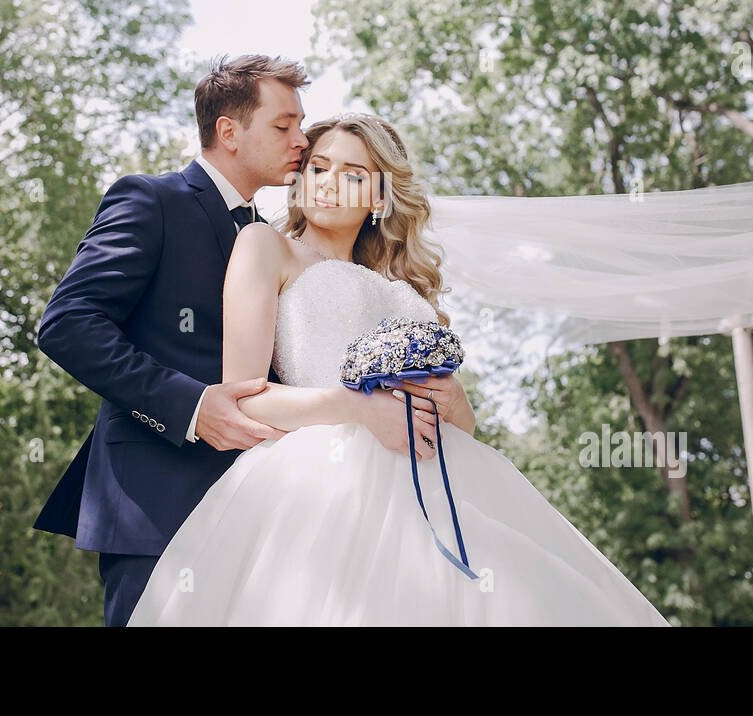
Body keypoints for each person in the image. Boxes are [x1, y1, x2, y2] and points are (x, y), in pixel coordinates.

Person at [126, 113, 672, 625]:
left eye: (353, 174)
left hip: (445, 479)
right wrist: (358, 409)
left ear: (381, 197)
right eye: (318, 167)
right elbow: (244, 400)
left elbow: (464, 429)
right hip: (321, 480)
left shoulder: (406, 291)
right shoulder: (267, 247)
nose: (328, 182)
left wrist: (452, 397)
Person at [33, 53, 398, 625]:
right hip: (158, 501)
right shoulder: (151, 201)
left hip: (271, 511)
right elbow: (68, 324)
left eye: (301, 125)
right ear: (228, 131)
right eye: (284, 126)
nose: (301, 140)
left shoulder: (279, 240)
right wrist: (192, 406)